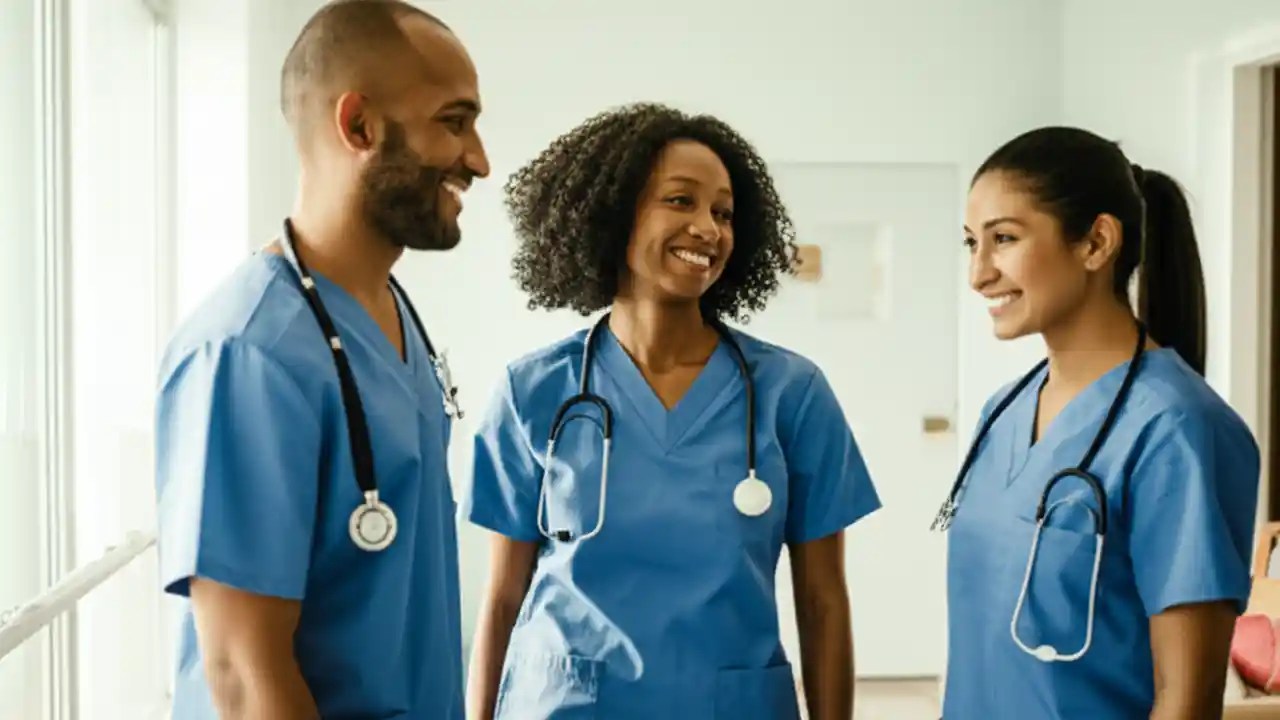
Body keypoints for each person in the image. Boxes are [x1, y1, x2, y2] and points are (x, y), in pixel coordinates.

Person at [462, 102, 881, 720]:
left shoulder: (792, 393)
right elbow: (501, 598)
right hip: (564, 704)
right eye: (681, 201)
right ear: (613, 212)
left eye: (723, 212)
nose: (708, 229)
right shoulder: (533, 390)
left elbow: (822, 601)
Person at [152, 1, 489, 717]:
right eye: (454, 122)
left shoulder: (393, 317)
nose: (479, 159)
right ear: (359, 125)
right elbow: (243, 677)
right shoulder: (250, 353)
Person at [937, 126, 1259, 719]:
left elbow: (1185, 698)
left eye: (1003, 239)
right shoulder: (1002, 412)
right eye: (970, 244)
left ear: (1095, 244)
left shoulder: (1177, 429)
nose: (978, 273)